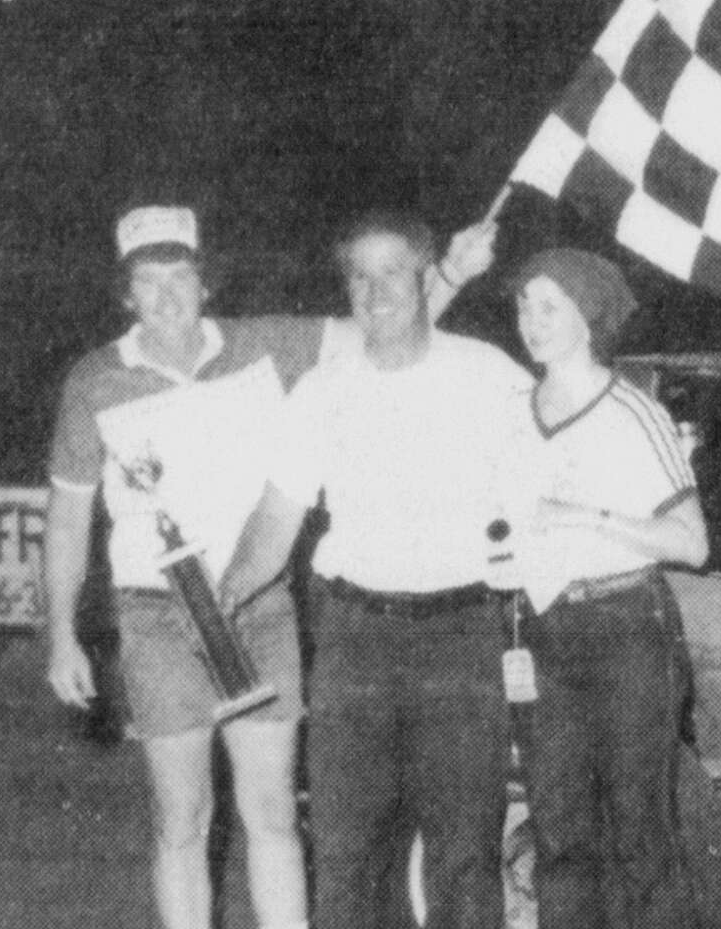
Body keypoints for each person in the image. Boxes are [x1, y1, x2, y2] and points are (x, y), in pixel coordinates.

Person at [42, 204, 490, 929]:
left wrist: (453, 272)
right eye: (147, 282)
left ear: (205, 283)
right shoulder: (94, 380)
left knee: (272, 810)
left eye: (180, 276)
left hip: (258, 608)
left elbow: (389, 315)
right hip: (158, 616)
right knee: (182, 818)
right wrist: (61, 632)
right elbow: (67, 518)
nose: (166, 296)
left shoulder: (267, 345)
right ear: (124, 294)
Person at [230, 212, 534, 929]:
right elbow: (275, 522)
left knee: (463, 852)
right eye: (358, 275)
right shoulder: (321, 389)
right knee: (348, 849)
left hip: (463, 637)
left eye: (392, 270)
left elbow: (556, 475)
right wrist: (226, 593)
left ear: (428, 279)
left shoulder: (489, 375)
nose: (374, 289)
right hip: (354, 640)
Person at [494, 248, 709, 929]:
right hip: (539, 631)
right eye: (524, 305)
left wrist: (589, 518)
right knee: (558, 835)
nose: (532, 320)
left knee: (643, 834)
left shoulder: (631, 411)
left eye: (549, 305)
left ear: (590, 316)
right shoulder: (508, 412)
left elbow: (691, 542)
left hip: (625, 628)